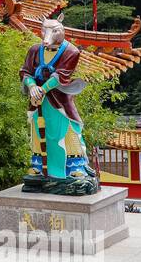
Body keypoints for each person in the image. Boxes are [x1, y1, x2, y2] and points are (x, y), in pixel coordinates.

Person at [20, 17, 99, 195]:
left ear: (60, 30)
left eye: (53, 30)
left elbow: (61, 76)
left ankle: (74, 166)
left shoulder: (70, 51)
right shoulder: (34, 50)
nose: (46, 36)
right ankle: (38, 166)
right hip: (38, 101)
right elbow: (25, 71)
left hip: (60, 99)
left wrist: (42, 89)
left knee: (68, 130)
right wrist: (32, 86)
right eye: (43, 30)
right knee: (37, 131)